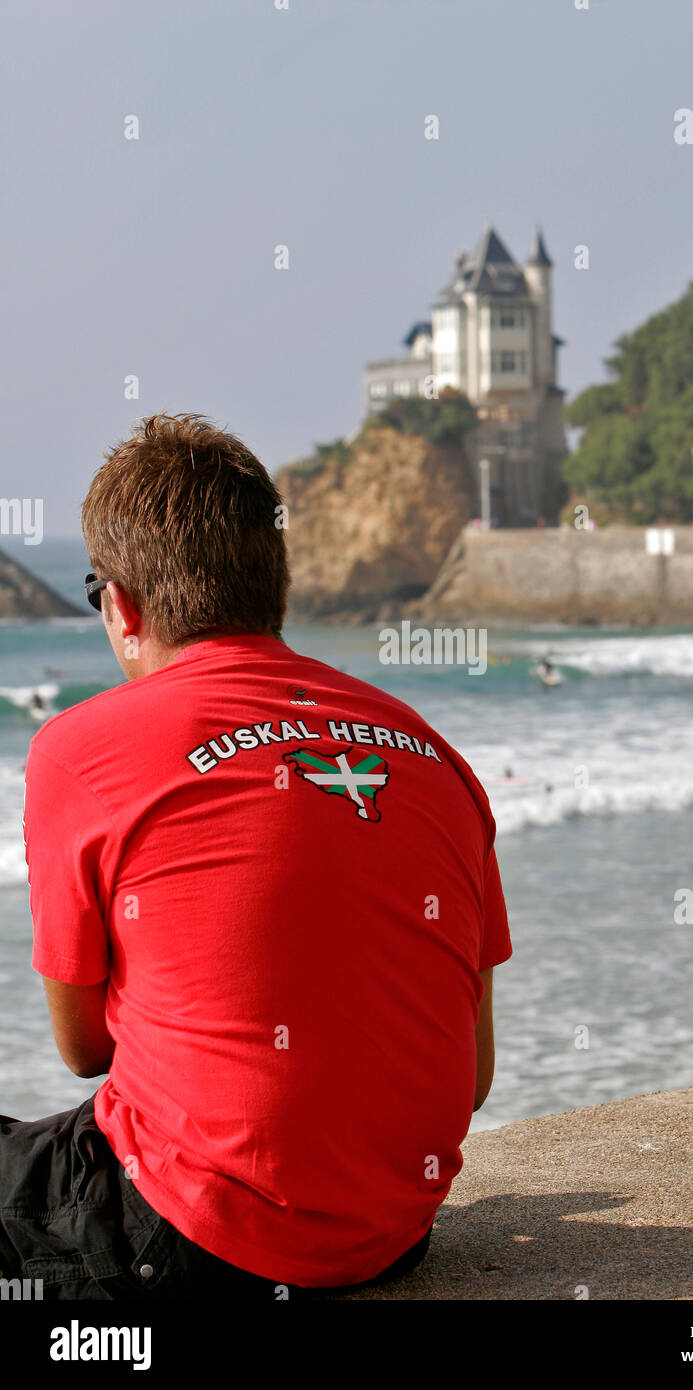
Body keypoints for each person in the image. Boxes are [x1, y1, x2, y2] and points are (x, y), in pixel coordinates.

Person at [0, 413, 511, 1301]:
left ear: (121, 606)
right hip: (393, 1235)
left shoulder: (78, 750)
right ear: (275, 582)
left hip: (196, 1237)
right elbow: (470, 1080)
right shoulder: (431, 752)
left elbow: (85, 1049)